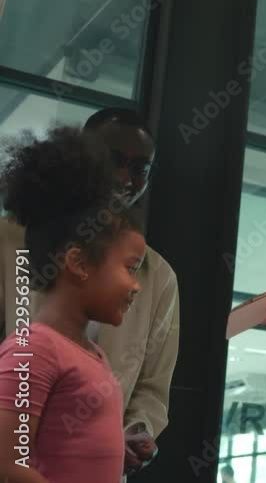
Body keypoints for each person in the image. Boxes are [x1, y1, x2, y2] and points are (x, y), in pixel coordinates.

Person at [0, 109, 180, 478]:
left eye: (140, 168)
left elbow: (151, 388)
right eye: (114, 160)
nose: (125, 178)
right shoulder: (11, 248)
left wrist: (132, 433)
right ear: (78, 263)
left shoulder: (157, 279)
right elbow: (10, 462)